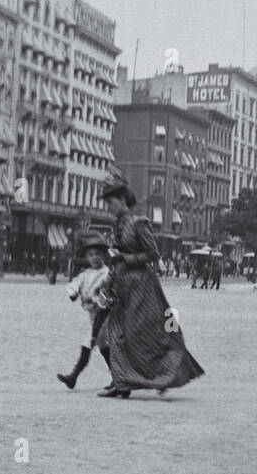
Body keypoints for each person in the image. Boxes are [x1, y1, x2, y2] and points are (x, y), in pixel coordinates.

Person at [96, 171, 204, 399]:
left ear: (123, 200)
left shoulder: (139, 224)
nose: (109, 208)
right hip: (122, 286)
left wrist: (128, 258)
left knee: (148, 335)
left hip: (143, 289)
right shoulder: (117, 226)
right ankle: (121, 380)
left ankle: (156, 376)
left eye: (111, 203)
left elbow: (153, 253)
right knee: (110, 335)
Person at [57, 232, 112, 390]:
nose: (94, 257)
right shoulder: (86, 274)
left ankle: (73, 376)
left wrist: (95, 301)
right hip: (94, 317)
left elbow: (108, 293)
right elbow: (74, 284)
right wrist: (73, 293)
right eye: (91, 255)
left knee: (88, 344)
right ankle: (117, 377)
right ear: (87, 257)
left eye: (97, 254)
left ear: (103, 256)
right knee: (104, 347)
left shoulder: (108, 274)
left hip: (106, 317)